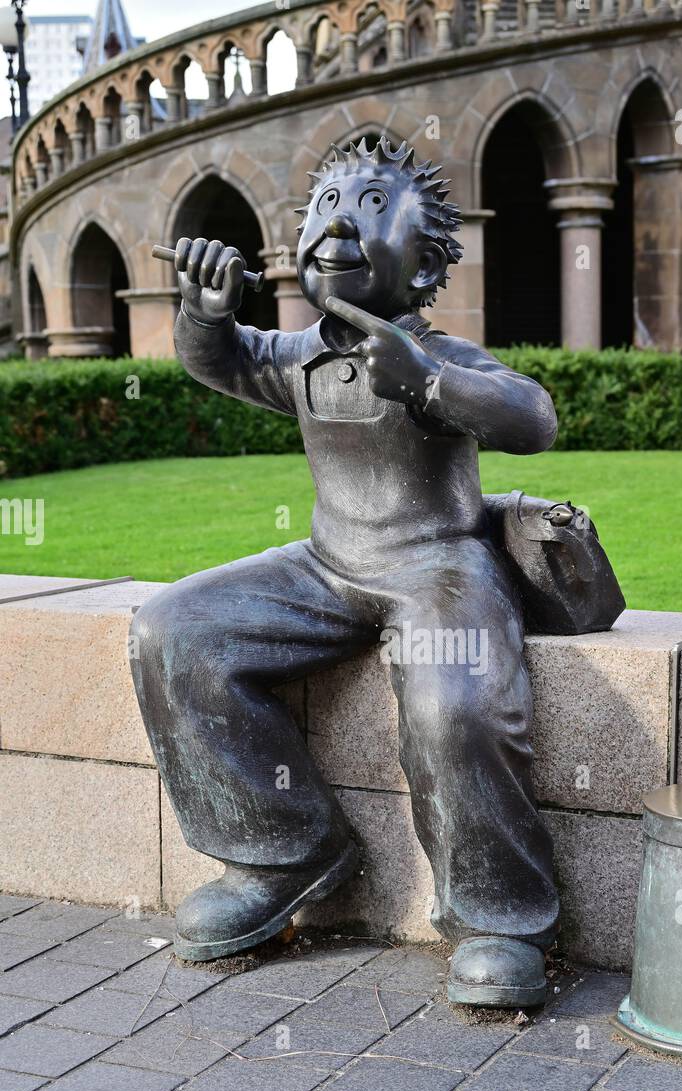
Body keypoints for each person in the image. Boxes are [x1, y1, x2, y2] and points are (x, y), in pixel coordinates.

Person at [130, 136, 560, 1007]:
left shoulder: (443, 355)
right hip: (327, 566)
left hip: (437, 565)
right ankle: (283, 851)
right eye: (326, 205)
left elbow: (532, 417)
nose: (338, 223)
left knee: (456, 702)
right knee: (173, 632)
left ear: (426, 260)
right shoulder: (297, 358)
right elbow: (220, 360)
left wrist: (427, 382)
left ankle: (500, 918)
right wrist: (207, 313)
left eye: (369, 210)